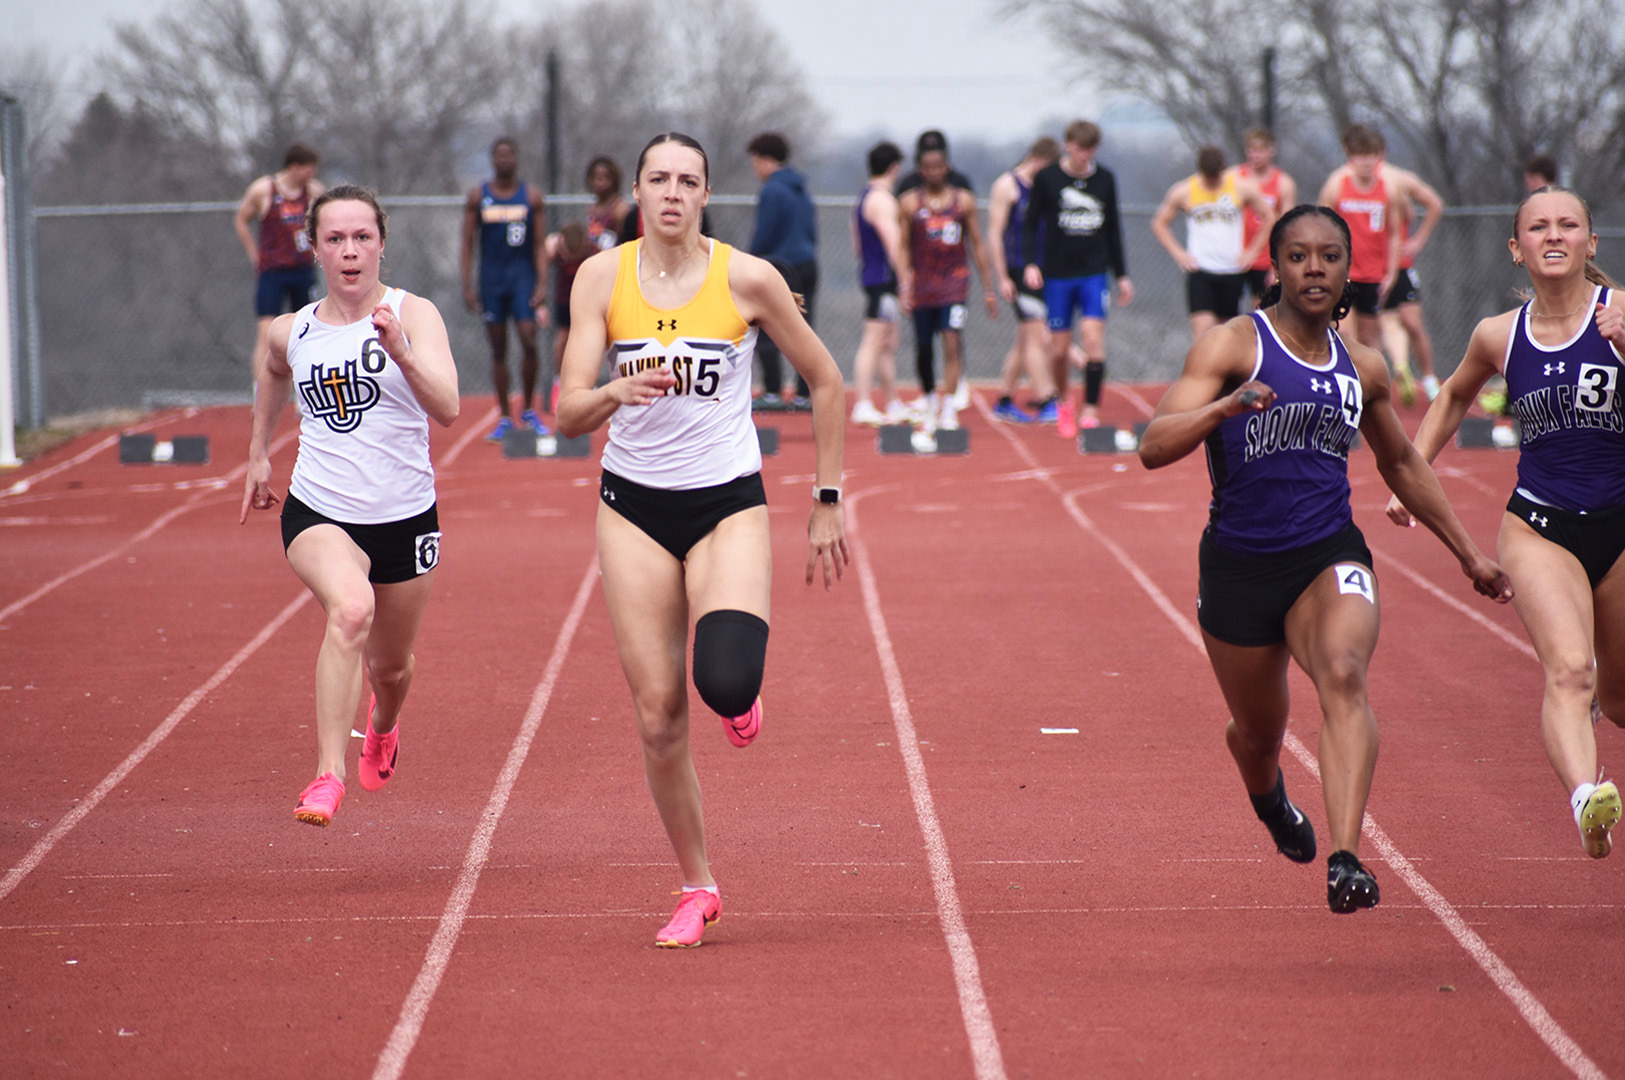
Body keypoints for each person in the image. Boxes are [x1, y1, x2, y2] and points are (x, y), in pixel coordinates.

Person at [1138, 204, 1510, 912]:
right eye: (1299, 255)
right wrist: (1222, 409)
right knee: (1256, 733)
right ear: (1274, 267)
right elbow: (1153, 445)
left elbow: (1399, 462)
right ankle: (1269, 797)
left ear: (1348, 271)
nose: (1314, 267)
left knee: (1343, 674)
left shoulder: (1363, 366)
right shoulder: (1228, 348)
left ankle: (1345, 858)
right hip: (1239, 567)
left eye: (1329, 256)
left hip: (1325, 553)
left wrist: (1468, 555)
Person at [555, 133, 849, 947]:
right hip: (634, 510)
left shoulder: (747, 278)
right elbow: (567, 410)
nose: (672, 193)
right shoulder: (600, 278)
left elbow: (825, 379)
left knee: (721, 680)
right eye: (658, 179)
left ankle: (740, 696)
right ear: (638, 194)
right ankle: (697, 885)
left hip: (725, 503)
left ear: (706, 194)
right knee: (657, 716)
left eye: (688, 181)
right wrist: (615, 387)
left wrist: (827, 497)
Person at [1385, 186, 1625, 859]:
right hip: (1539, 526)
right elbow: (1452, 395)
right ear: (1516, 250)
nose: (1554, 235)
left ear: (1589, 242)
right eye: (1538, 227)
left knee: (1618, 694)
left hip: (1619, 523)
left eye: (1568, 224)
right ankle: (1586, 799)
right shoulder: (1498, 333)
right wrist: (1412, 474)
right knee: (1569, 670)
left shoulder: (1620, 314)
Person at [240, 185, 460, 827]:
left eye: (362, 237)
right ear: (315, 249)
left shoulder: (414, 314)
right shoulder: (295, 329)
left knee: (390, 669)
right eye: (334, 239)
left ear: (382, 244)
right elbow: (273, 371)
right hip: (319, 511)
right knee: (350, 609)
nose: (350, 251)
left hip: (406, 518)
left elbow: (446, 408)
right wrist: (259, 454)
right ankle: (326, 775)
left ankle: (384, 727)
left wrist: (401, 352)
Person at [1023, 120, 1132, 436]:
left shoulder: (1105, 179)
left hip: (1093, 273)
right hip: (1057, 274)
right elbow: (1030, 224)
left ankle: (1091, 411)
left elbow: (1113, 229)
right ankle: (1063, 401)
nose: (1083, 155)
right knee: (1058, 350)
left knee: (1093, 338)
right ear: (1068, 145)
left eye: (1090, 150)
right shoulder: (1048, 178)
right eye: (1078, 148)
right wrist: (1031, 263)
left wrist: (1122, 275)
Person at [897, 140, 999, 433]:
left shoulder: (963, 201)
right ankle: (929, 399)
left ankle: (950, 405)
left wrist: (988, 288)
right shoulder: (909, 203)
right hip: (923, 287)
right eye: (927, 168)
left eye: (938, 167)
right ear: (920, 170)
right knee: (923, 347)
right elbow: (903, 247)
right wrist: (905, 282)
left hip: (955, 284)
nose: (933, 173)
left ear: (947, 168)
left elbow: (977, 244)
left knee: (952, 341)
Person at [460, 137, 549, 441]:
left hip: (522, 278)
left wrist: (541, 282)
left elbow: (539, 243)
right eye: (499, 155)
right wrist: (468, 285)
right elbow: (467, 243)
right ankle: (505, 416)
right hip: (492, 280)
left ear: (517, 158)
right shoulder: (479, 196)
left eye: (510, 154)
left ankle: (528, 408)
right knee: (498, 347)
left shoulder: (531, 196)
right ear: (492, 159)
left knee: (528, 337)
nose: (505, 160)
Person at [1151, 145, 1275, 343]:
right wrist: (1179, 253)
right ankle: (1202, 374)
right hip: (1201, 270)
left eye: (1216, 177)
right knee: (1203, 333)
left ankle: (1224, 374)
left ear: (1223, 170)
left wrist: (1252, 252)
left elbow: (1269, 216)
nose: (1212, 182)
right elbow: (1159, 223)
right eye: (1208, 178)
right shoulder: (1185, 190)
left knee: (1226, 335)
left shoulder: (1240, 187)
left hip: (1232, 270)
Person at [1317, 125, 1407, 396]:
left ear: (1377, 158)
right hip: (1344, 273)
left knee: (1370, 341)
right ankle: (1342, 390)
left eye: (1370, 156)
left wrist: (1391, 272)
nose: (1365, 163)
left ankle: (1372, 393)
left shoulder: (1388, 190)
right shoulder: (1338, 186)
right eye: (1359, 156)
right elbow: (1319, 223)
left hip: (1373, 274)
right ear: (1350, 159)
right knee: (1344, 333)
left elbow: (1394, 233)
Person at [233, 143, 325, 378]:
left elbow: (326, 221)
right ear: (294, 168)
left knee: (307, 330)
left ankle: (305, 390)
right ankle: (259, 390)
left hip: (303, 270)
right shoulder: (264, 189)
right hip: (273, 271)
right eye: (308, 169)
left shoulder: (314, 191)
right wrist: (255, 255)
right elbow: (241, 219)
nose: (312, 174)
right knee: (266, 331)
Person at [986, 137, 1061, 423]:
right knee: (1035, 334)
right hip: (1019, 270)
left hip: (1044, 270)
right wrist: (1002, 277)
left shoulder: (1045, 186)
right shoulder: (1007, 185)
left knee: (1025, 338)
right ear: (1036, 158)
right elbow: (995, 234)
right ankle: (1046, 398)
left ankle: (1004, 399)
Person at [747, 132, 819, 410]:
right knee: (804, 328)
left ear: (766, 160)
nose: (755, 169)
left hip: (780, 266)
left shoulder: (772, 190)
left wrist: (750, 260)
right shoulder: (801, 188)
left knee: (766, 324)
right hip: (808, 262)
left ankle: (773, 391)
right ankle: (804, 393)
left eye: (755, 161)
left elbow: (764, 234)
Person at [849, 141, 911, 426]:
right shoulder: (883, 200)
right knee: (874, 340)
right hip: (883, 278)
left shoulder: (864, 197)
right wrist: (906, 278)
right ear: (894, 167)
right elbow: (893, 242)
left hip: (875, 274)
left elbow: (857, 245)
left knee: (888, 341)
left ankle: (892, 401)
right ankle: (862, 402)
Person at [1231, 129, 1297, 305]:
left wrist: (1276, 266)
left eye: (1261, 150)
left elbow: (1287, 229)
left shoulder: (1284, 183)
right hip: (1235, 256)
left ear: (1271, 151)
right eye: (1251, 150)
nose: (1255, 155)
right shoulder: (1233, 177)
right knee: (1227, 318)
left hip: (1264, 259)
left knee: (1261, 314)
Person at [543, 222, 594, 398]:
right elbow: (540, 270)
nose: (570, 259)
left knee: (589, 341)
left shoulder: (593, 251)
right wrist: (540, 304)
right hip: (564, 300)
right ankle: (560, 382)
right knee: (563, 340)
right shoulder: (554, 248)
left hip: (588, 301)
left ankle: (586, 383)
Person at [585, 155, 632, 252]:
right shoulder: (593, 209)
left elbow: (626, 241)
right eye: (595, 177)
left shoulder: (620, 209)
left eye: (605, 177)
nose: (599, 182)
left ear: (614, 180)